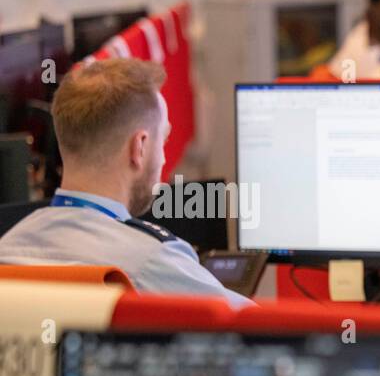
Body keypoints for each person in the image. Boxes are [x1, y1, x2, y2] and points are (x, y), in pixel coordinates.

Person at [0, 58, 250, 307]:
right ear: (139, 147)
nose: (163, 159)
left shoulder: (7, 249)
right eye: (162, 140)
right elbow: (262, 328)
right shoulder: (151, 261)